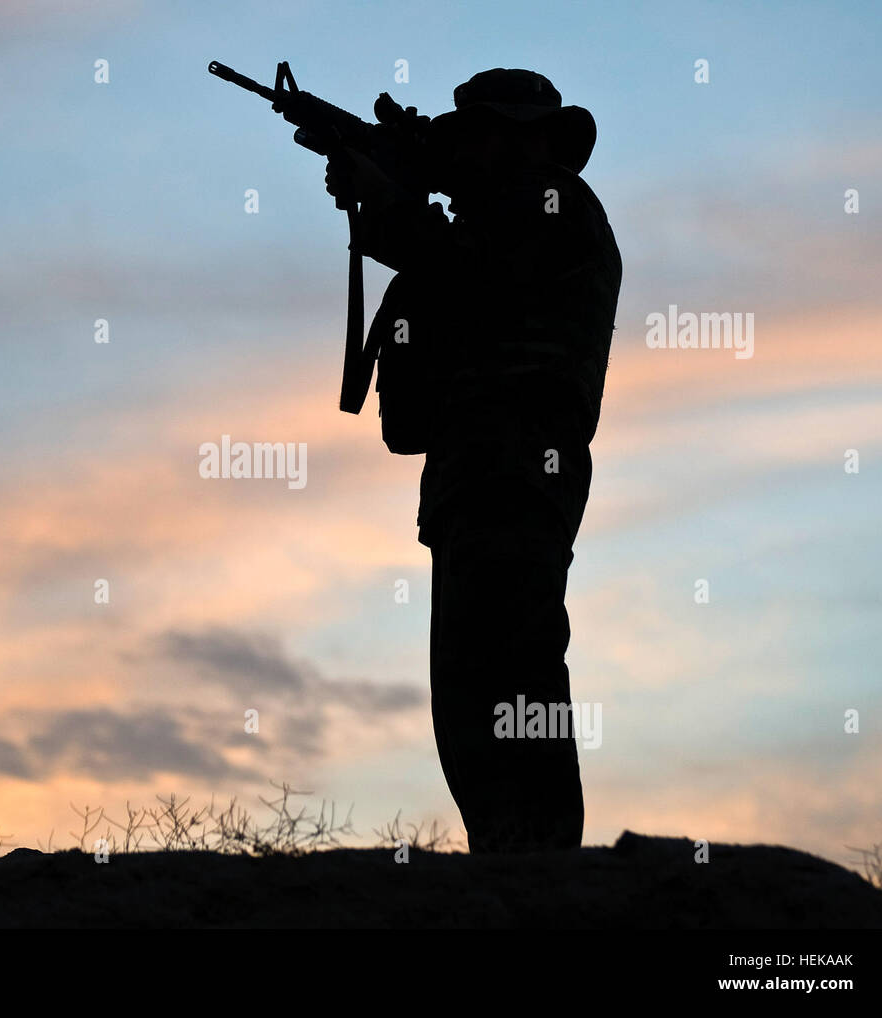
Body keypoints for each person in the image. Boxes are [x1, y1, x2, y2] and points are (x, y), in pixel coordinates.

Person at [325, 68, 622, 852]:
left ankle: (542, 859)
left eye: (483, 134)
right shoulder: (497, 218)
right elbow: (416, 402)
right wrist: (384, 199)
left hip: (520, 468)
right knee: (468, 687)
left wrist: (389, 203)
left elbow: (465, 267)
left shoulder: (554, 205)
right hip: (476, 475)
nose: (471, 150)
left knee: (512, 671)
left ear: (527, 140)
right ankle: (510, 857)